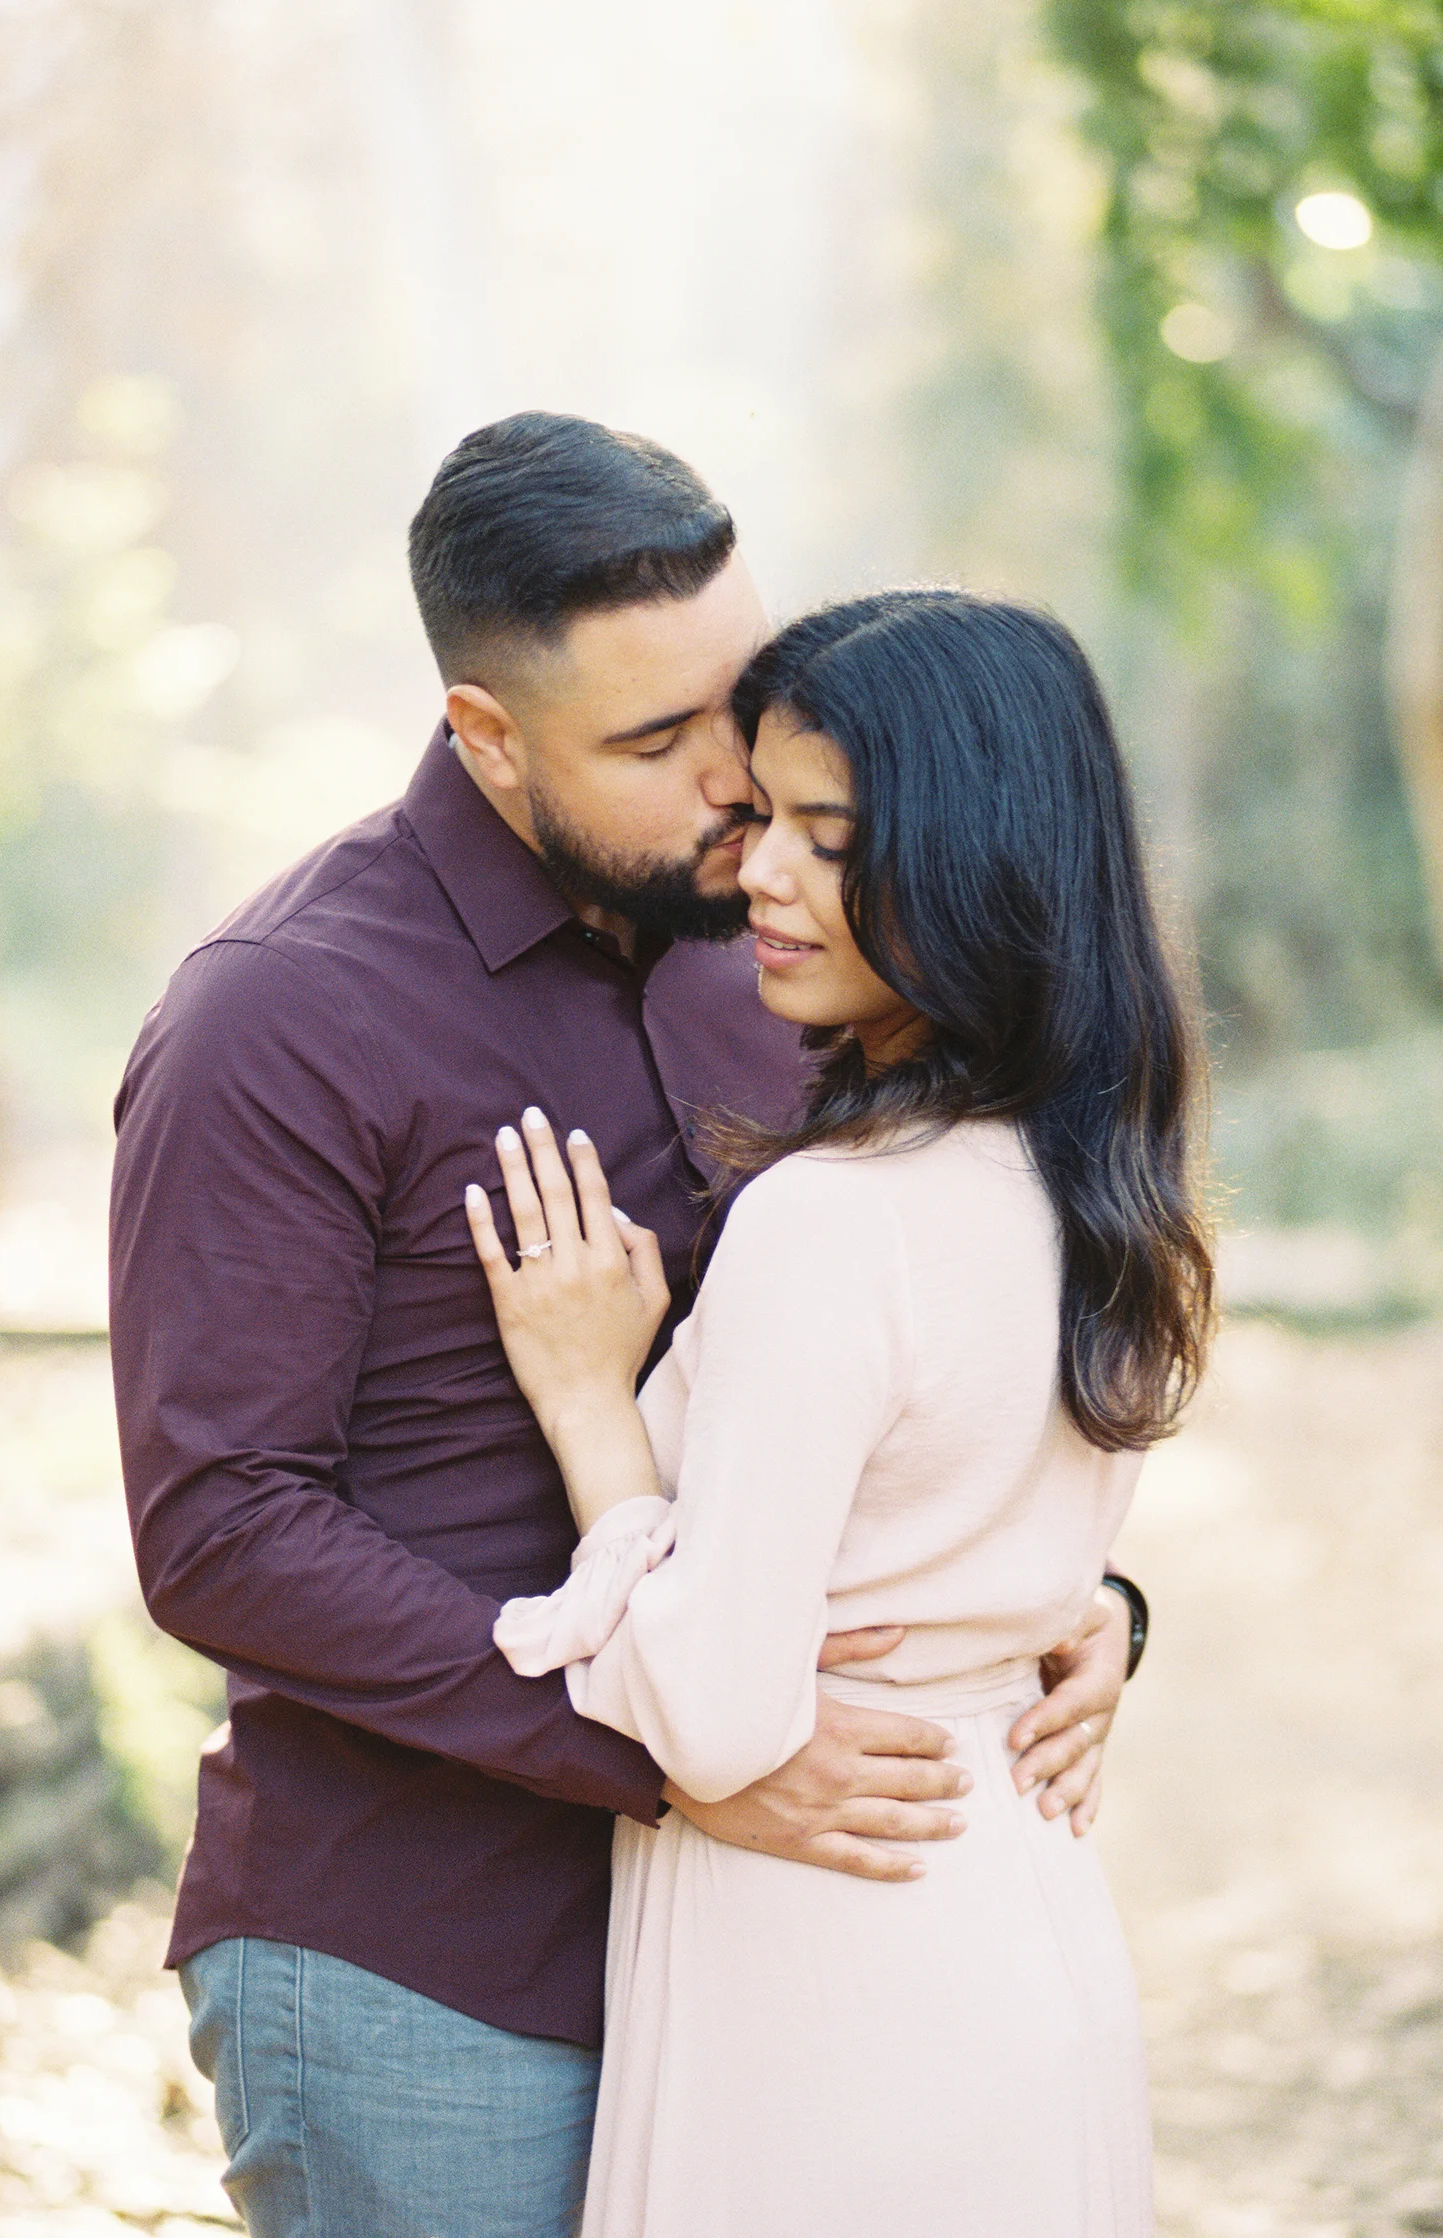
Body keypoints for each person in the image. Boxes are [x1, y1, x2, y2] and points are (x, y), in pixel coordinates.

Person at [110, 416, 1145, 2238]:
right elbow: (221, 1530)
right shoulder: (276, 1020)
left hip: (775, 1953)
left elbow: (905, 1346)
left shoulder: (784, 946)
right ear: (487, 734)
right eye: (655, 745)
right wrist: (674, 1745)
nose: (735, 793)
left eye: (735, 710)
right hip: (431, 1963)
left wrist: (1073, 1611)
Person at [470, 588, 1213, 2238]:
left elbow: (726, 1719)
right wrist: (1092, 1614)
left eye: (830, 836)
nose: (760, 875)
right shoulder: (1095, 1177)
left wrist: (597, 1410)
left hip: (833, 1965)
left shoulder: (839, 1216)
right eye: (766, 822)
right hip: (1013, 1920)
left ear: (974, 858)